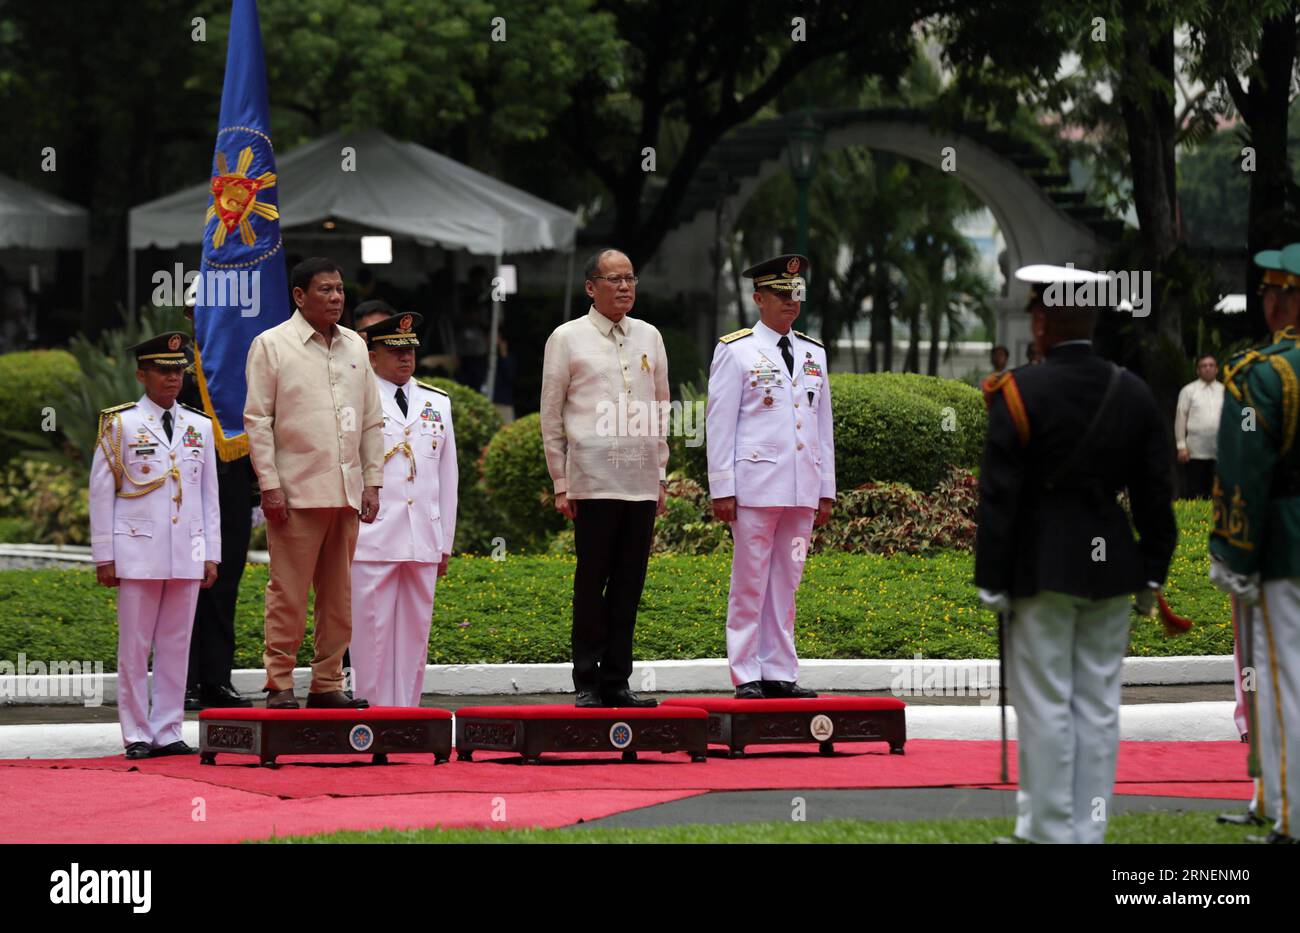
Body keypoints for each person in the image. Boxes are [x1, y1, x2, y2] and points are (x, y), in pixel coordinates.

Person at [975, 264, 1177, 844]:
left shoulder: (1018, 389)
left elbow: (1000, 496)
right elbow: (1154, 493)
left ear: (1041, 323)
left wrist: (991, 575)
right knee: (1097, 706)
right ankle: (1087, 833)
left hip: (1043, 567)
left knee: (1045, 705)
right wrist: (1154, 571)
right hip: (1113, 566)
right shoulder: (1132, 391)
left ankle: (1045, 832)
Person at [243, 257, 383, 710]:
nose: (337, 298)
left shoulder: (357, 348)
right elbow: (258, 421)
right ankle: (278, 681)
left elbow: (371, 422)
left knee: (339, 595)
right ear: (299, 296)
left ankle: (328, 682)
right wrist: (269, 484)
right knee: (287, 592)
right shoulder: (271, 345)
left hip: (346, 491)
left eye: (340, 289)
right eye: (325, 290)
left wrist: (373, 482)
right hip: (296, 492)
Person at [540, 248, 669, 708]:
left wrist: (660, 476)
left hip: (638, 481)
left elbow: (660, 410)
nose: (624, 287)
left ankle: (618, 679)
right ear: (591, 287)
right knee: (591, 581)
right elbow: (551, 415)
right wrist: (560, 481)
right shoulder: (567, 338)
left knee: (630, 584)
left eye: (630, 279)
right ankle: (587, 680)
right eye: (613, 279)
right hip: (591, 480)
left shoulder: (650, 337)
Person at [706, 254, 835, 699]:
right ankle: (746, 673)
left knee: (787, 581)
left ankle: (780, 670)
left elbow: (823, 427)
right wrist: (722, 488)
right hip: (756, 488)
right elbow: (719, 424)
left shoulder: (813, 352)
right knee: (750, 581)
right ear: (759, 298)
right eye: (781, 294)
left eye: (795, 293)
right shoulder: (736, 350)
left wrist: (826, 490)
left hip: (802, 488)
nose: (790, 301)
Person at [89, 332, 220, 758]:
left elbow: (208, 496)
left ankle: (168, 729)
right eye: (163, 371)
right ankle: (136, 733)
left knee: (177, 643)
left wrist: (211, 553)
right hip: (137, 550)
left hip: (187, 550)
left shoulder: (199, 426)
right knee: (135, 645)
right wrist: (104, 555)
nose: (172, 378)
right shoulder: (121, 423)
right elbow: (101, 492)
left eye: (178, 370)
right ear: (141, 374)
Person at [1208, 243, 1300, 844]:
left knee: (1278, 673)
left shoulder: (1261, 373)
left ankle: (1290, 816)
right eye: (1268, 292)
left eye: (1277, 292)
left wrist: (1233, 554)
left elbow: (1244, 472)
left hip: (1281, 548)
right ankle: (1268, 795)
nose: (1269, 302)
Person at [350, 310, 458, 706]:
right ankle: (373, 717)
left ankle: (407, 715)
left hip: (421, 538)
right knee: (371, 634)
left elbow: (449, 477)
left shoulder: (436, 402)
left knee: (416, 633)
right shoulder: (358, 400)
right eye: (393, 351)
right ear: (371, 355)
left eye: (410, 350)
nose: (405, 358)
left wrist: (444, 541)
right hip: (372, 536)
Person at [179, 307, 255, 711]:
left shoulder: (241, 358)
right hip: (186, 488)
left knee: (225, 586)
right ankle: (185, 680)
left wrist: (257, 491)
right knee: (186, 586)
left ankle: (216, 679)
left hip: (231, 487)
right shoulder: (177, 363)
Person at [1174, 354, 1224, 499]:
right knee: (1196, 492)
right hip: (1195, 451)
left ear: (1216, 369)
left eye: (1211, 365)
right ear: (1198, 370)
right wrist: (1181, 446)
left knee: (1217, 492)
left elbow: (1247, 412)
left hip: (1219, 450)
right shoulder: (1188, 391)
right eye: (1204, 366)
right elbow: (1180, 418)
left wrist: (1250, 432)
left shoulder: (1225, 390)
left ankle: (1216, 520)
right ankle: (1197, 521)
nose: (1208, 368)